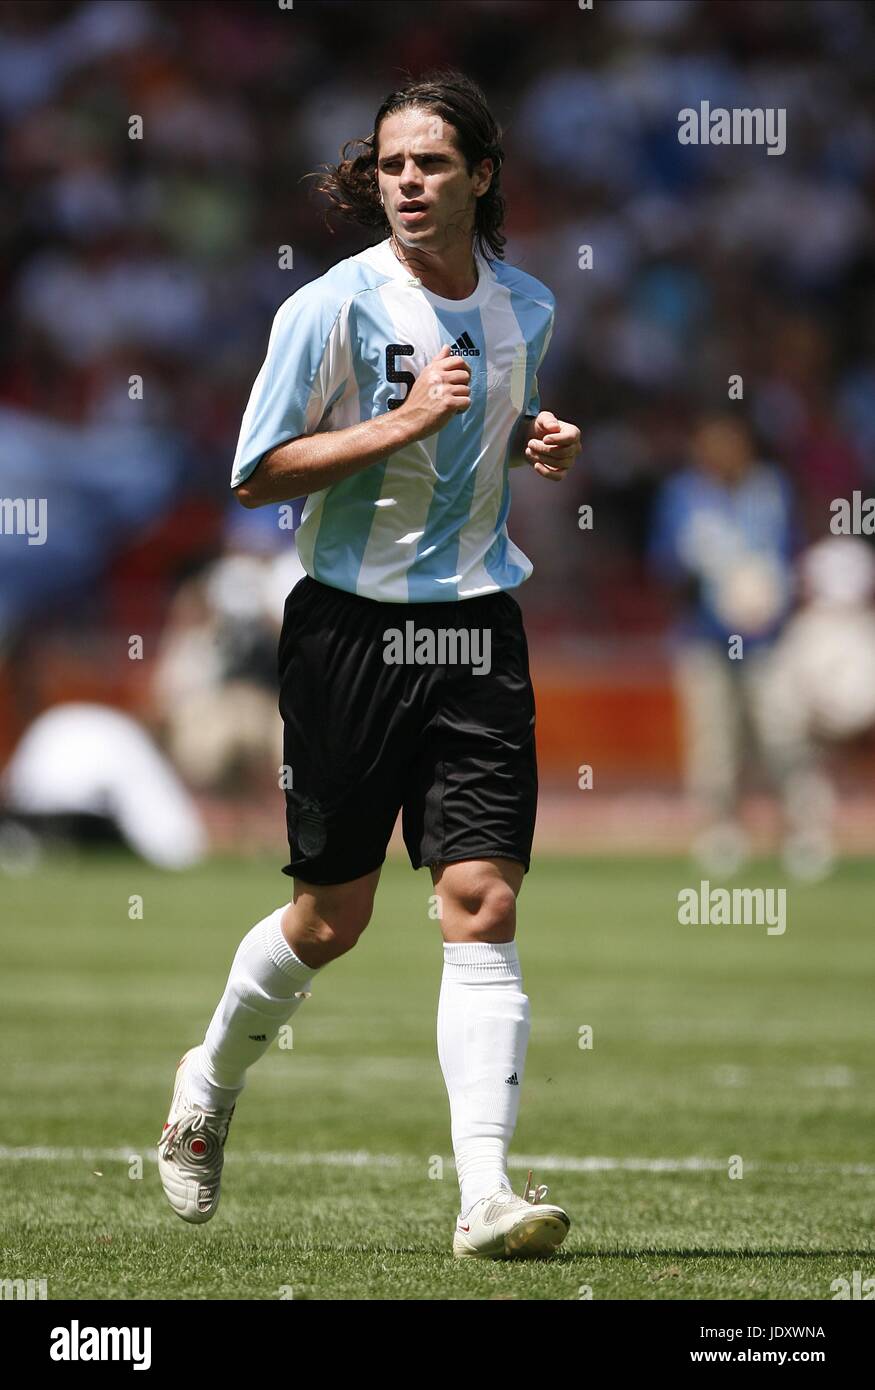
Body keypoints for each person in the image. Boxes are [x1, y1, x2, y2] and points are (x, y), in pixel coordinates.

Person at [158, 70, 581, 1260]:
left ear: (480, 176)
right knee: (330, 917)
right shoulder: (329, 310)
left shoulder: (528, 308)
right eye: (391, 165)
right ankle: (209, 1082)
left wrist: (531, 437)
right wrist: (401, 423)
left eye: (432, 163)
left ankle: (483, 1194)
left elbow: (493, 419)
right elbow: (255, 472)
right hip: (349, 631)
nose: (407, 182)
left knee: (479, 900)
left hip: (477, 628)